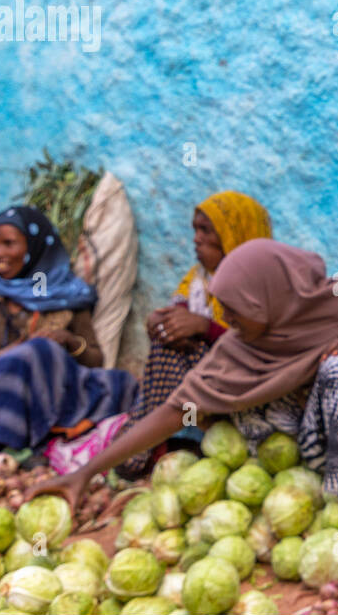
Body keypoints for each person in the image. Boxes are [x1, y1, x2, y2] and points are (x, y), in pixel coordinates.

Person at [31, 238, 338, 530]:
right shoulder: (241, 344)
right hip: (299, 450)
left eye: (236, 310)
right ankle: (307, 502)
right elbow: (175, 410)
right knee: (235, 400)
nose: (226, 321)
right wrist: (84, 473)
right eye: (222, 309)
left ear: (271, 294)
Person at [0, 206, 136, 449]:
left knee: (121, 383)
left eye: (9, 244)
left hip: (46, 397)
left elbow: (94, 360)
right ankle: (10, 436)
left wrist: (68, 340)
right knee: (30, 354)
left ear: (35, 246)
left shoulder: (66, 295)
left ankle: (16, 436)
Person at [116, 190, 272, 477]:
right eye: (195, 230)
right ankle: (164, 440)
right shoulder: (199, 279)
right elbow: (180, 310)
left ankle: (175, 440)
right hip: (202, 380)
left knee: (193, 356)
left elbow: (263, 348)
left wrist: (204, 327)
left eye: (206, 230)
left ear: (235, 234)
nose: (196, 239)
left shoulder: (262, 283)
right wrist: (163, 323)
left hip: (249, 385)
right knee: (171, 349)